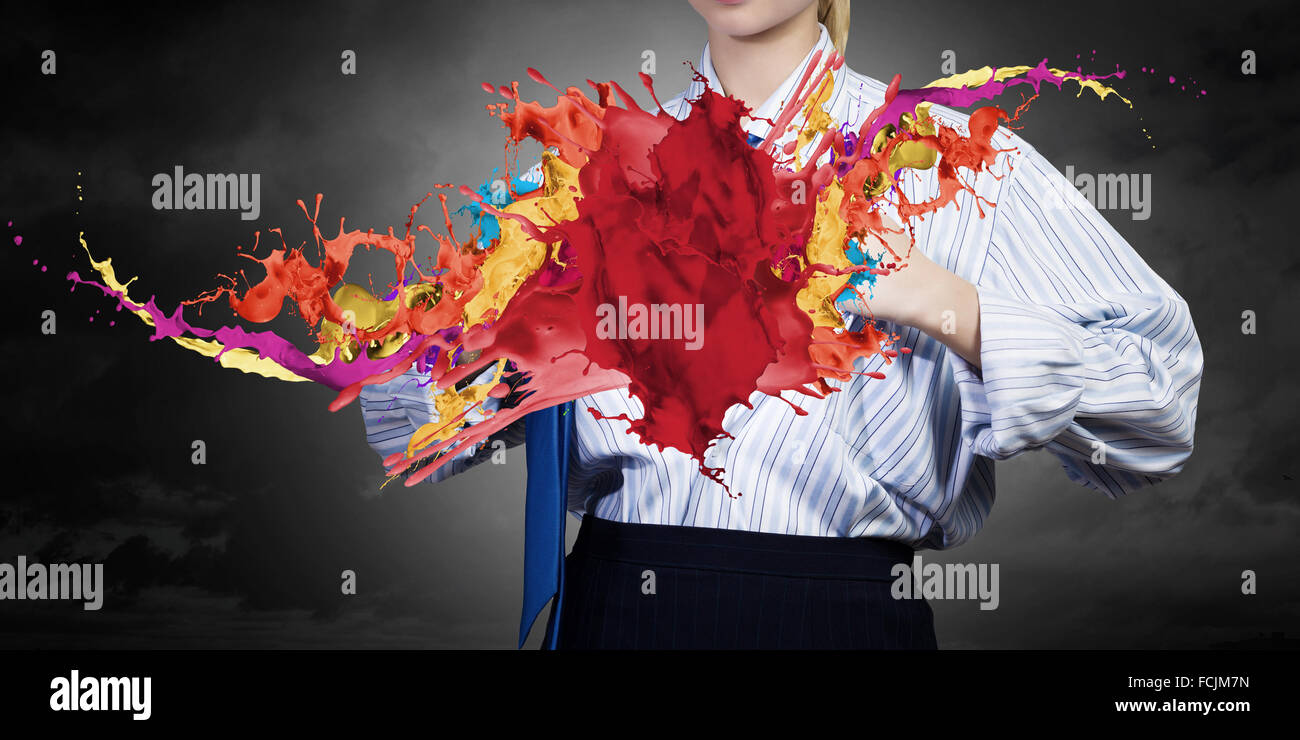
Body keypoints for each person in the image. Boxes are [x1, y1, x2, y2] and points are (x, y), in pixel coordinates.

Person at [360, 0, 1203, 649]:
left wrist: (944, 302)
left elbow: (1161, 411)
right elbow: (403, 426)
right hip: (615, 611)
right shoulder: (587, 168)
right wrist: (509, 339)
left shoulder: (953, 159)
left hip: (843, 619)